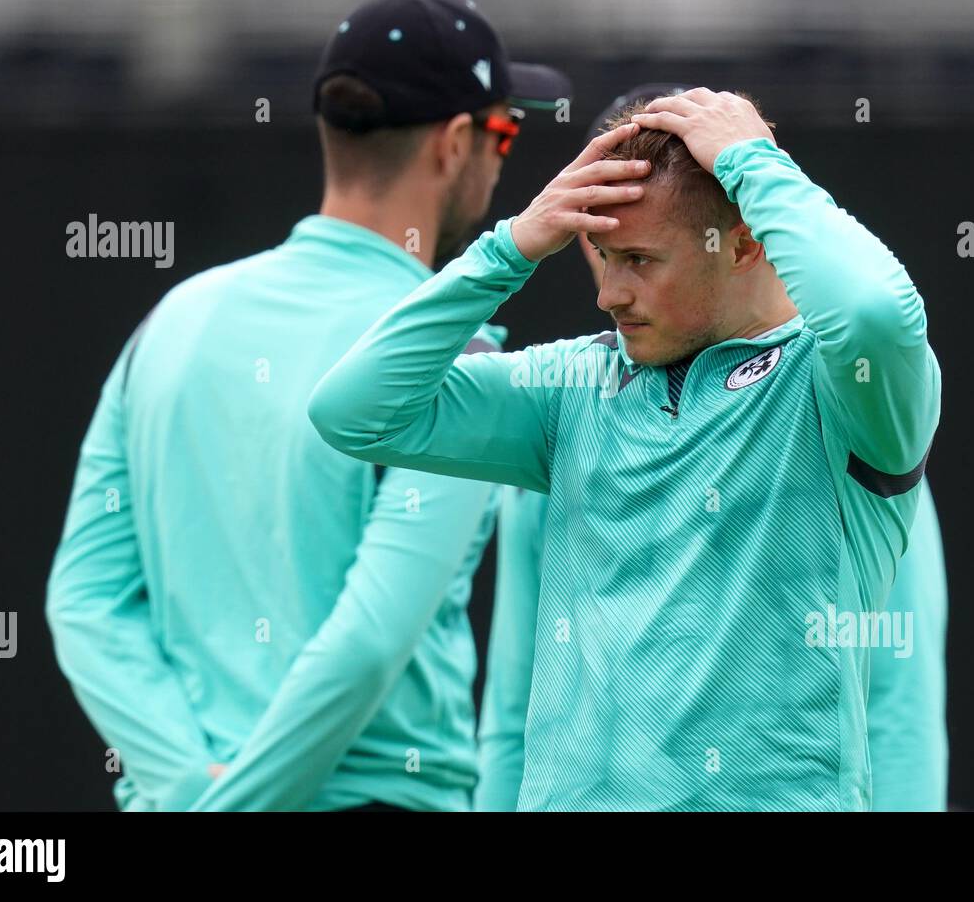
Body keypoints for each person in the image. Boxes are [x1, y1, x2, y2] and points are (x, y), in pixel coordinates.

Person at [309, 86, 941, 810]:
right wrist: (512, 244)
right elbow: (352, 409)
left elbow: (875, 312)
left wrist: (756, 165)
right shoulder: (570, 387)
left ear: (745, 242)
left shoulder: (839, 392)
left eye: (639, 258)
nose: (609, 293)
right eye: (603, 255)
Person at [45, 0, 568, 811]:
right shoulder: (449, 359)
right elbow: (366, 643)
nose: (506, 159)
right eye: (506, 130)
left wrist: (190, 785)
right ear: (456, 141)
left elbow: (84, 604)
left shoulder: (170, 321)